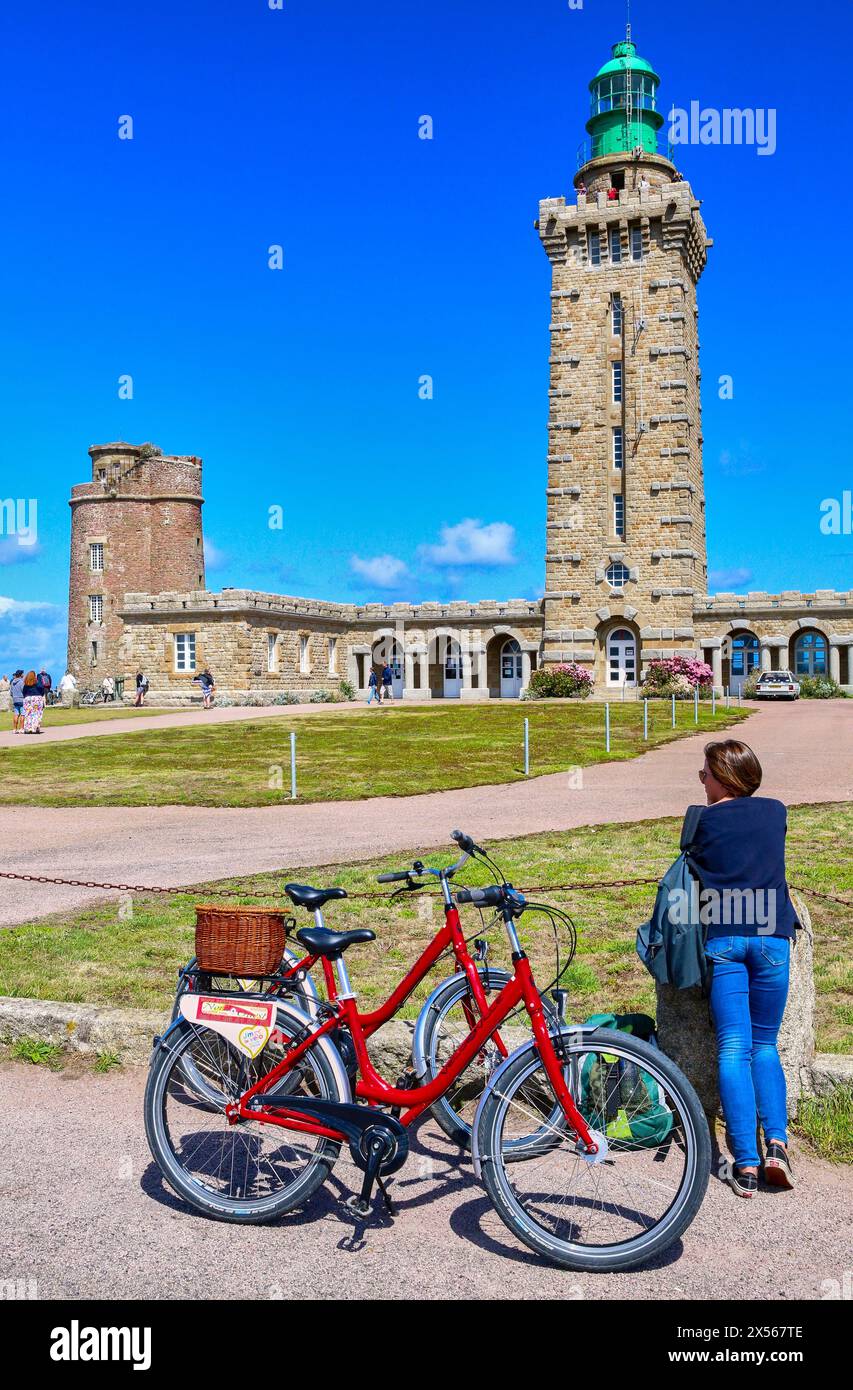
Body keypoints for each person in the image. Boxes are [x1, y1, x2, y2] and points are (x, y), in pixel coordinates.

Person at [690, 739, 798, 1199]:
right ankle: (776, 1144)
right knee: (764, 1045)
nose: (702, 781)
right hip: (772, 936)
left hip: (726, 938)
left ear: (723, 777)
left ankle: (746, 1165)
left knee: (732, 1048)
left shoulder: (700, 819)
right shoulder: (776, 811)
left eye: (705, 775)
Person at [22, 669, 45, 733]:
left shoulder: (26, 684)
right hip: (36, 699)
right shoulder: (37, 683)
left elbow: (23, 692)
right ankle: (35, 727)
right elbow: (42, 690)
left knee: (28, 713)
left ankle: (28, 728)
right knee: (36, 713)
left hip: (28, 699)